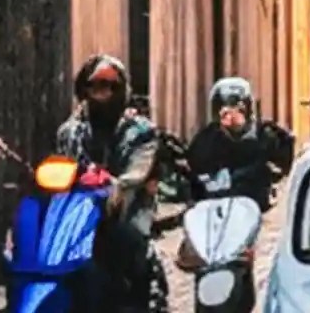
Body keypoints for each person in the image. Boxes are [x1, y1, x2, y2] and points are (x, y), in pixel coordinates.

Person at [55, 53, 169, 312]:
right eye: (95, 85)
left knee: (129, 249)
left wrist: (114, 186)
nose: (101, 92)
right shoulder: (69, 131)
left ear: (121, 89)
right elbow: (62, 165)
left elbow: (137, 172)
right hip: (76, 216)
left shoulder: (141, 131)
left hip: (126, 213)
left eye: (109, 86)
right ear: (84, 88)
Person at [185, 76, 296, 212]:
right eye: (225, 108)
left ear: (247, 109)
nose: (231, 115)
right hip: (215, 210)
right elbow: (194, 174)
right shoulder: (206, 139)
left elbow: (283, 165)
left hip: (257, 210)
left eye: (237, 108)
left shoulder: (266, 135)